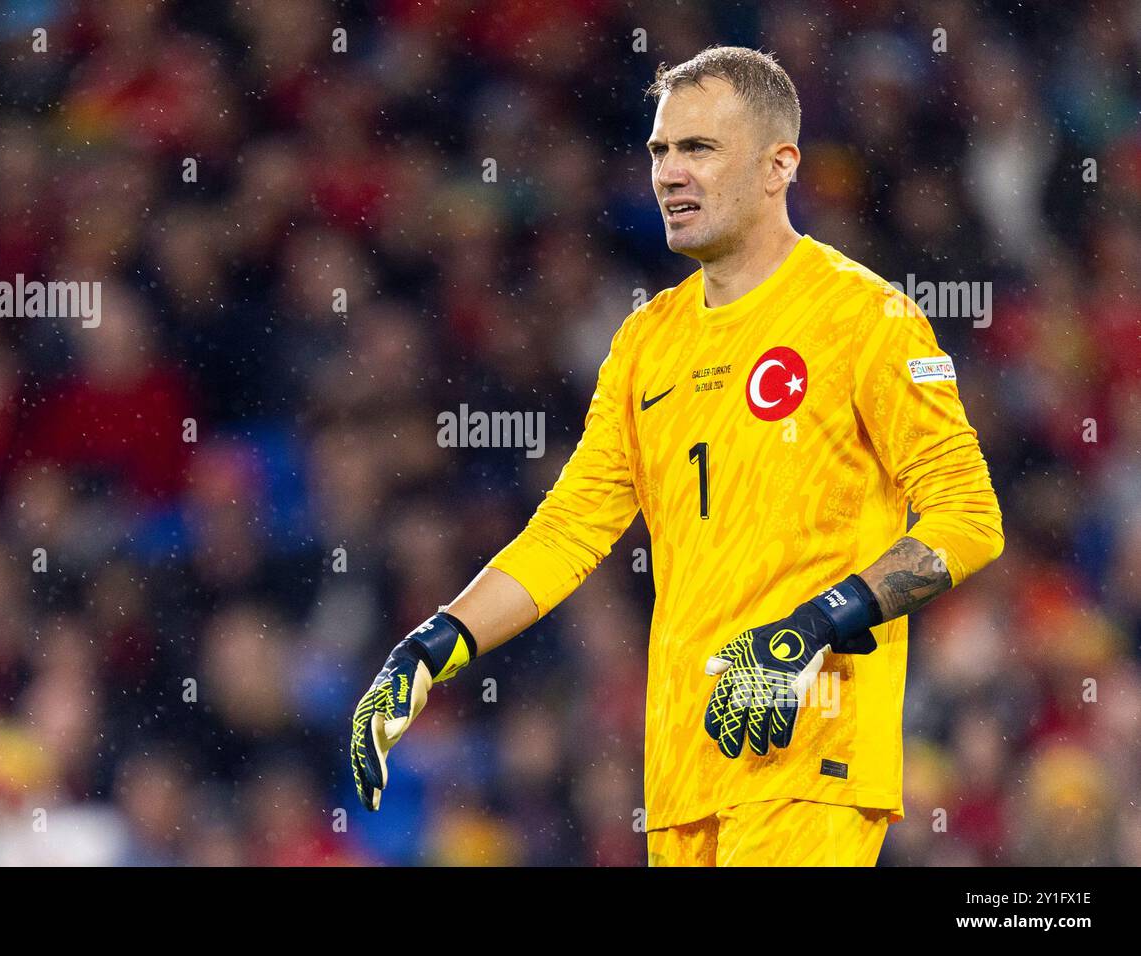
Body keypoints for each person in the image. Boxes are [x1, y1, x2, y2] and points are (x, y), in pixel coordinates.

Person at [350, 46, 1003, 867]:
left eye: (698, 148)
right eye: (660, 150)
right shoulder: (645, 343)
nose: (669, 172)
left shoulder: (865, 318)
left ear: (778, 165)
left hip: (808, 753)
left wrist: (809, 630)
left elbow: (969, 517)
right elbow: (569, 531)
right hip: (683, 767)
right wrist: (432, 647)